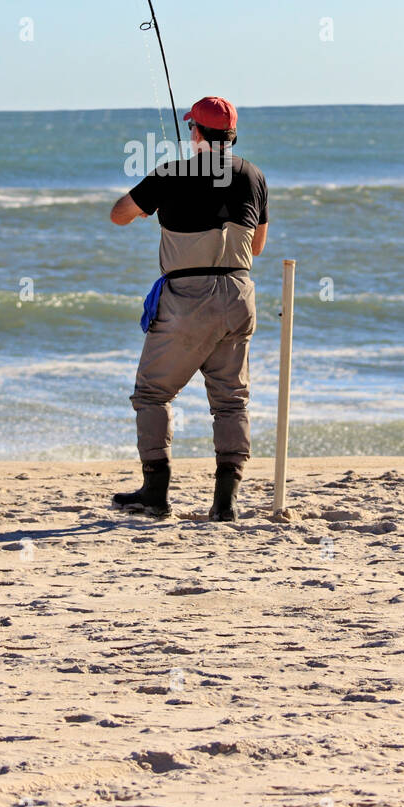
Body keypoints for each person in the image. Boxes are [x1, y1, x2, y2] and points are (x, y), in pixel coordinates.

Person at [109, 96, 268, 522]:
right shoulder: (254, 176)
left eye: (192, 128)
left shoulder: (171, 173)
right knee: (232, 401)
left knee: (152, 393)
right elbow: (257, 246)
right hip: (239, 294)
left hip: (187, 297)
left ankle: (155, 493)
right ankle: (225, 503)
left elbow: (118, 215)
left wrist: (152, 208)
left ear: (196, 132)